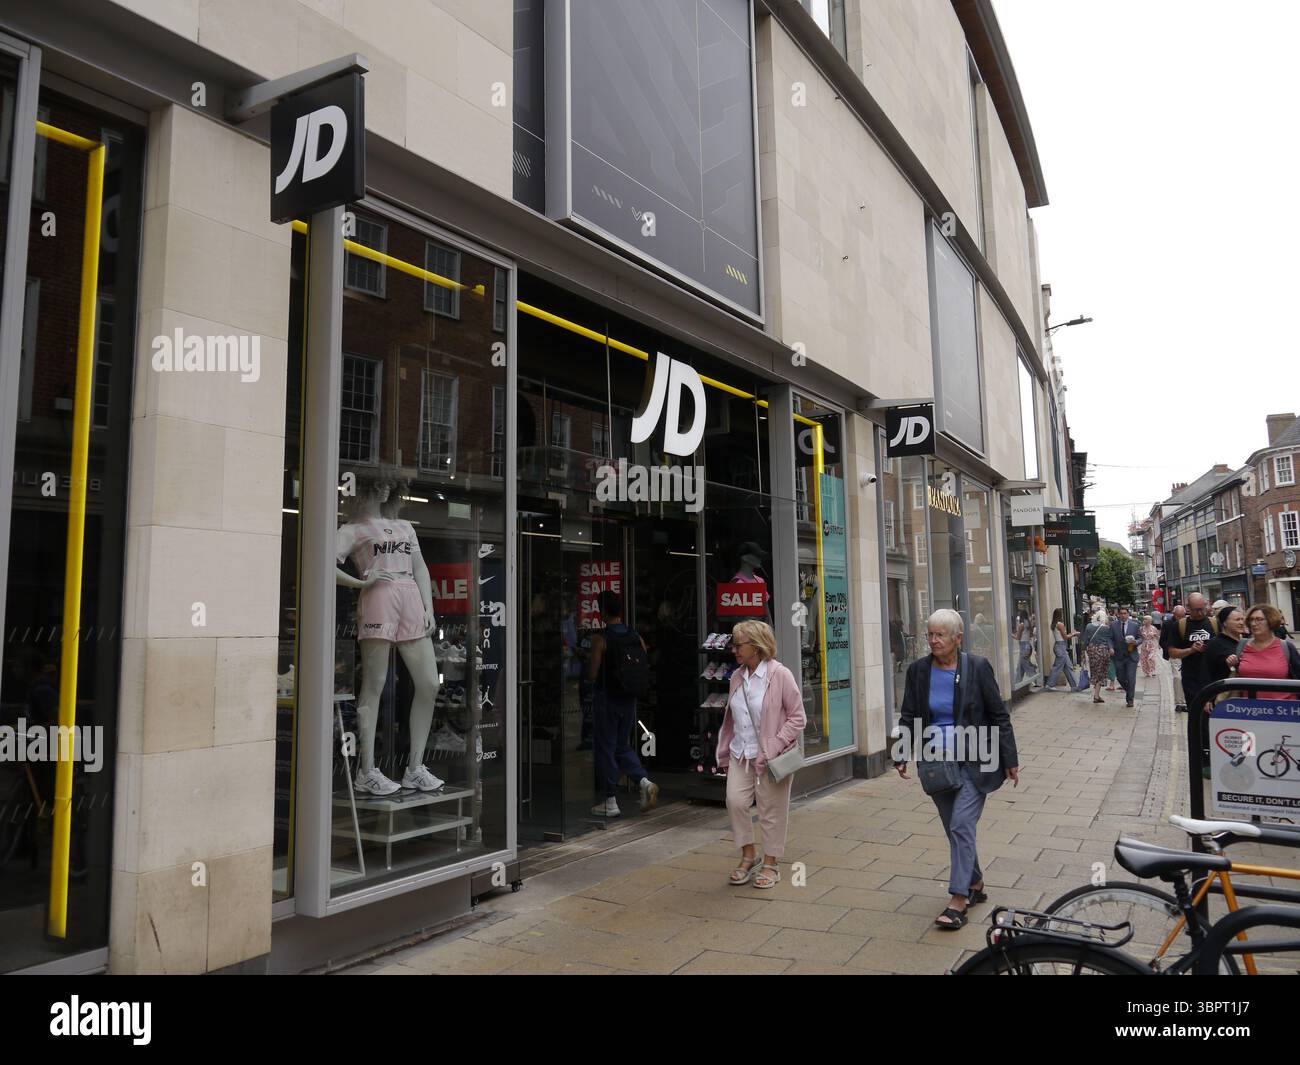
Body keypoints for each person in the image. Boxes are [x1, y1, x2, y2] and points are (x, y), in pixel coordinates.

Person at [895, 609, 1019, 929]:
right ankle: (975, 883)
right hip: (937, 763)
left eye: (940, 635)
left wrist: (1010, 759)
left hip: (977, 760)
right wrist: (900, 753)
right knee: (955, 829)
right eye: (930, 635)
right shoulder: (919, 671)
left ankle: (958, 900)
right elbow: (909, 714)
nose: (934, 641)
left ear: (957, 638)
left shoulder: (977, 668)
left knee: (962, 824)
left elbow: (999, 714)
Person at [718, 619, 806, 890]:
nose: (734, 650)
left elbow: (797, 717)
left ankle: (771, 863)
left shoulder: (780, 675)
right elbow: (733, 718)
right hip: (740, 753)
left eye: (738, 644)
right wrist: (724, 749)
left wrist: (774, 745)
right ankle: (748, 853)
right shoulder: (736, 676)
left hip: (770, 757)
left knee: (771, 811)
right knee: (735, 802)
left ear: (756, 646)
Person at [585, 592, 658, 817]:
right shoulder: (635, 635)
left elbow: (592, 673)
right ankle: (644, 782)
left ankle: (610, 800)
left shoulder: (601, 638)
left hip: (607, 700)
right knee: (622, 745)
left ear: (603, 611)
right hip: (629, 699)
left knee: (605, 748)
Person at [1239, 603, 1300, 700]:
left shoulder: (1286, 647)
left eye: (1259, 619)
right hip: (1249, 710)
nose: (1254, 624)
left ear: (1270, 621)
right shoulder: (1242, 646)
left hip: (1283, 710)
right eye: (1251, 620)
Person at [1110, 606, 1142, 708]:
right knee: (1120, 677)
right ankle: (1130, 690)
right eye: (1121, 613)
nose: (1123, 615)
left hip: (1131, 656)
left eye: (1125, 613)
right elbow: (1110, 638)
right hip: (1118, 656)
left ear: (1128, 614)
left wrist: (1135, 642)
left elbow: (1141, 638)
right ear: (1118, 614)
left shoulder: (1135, 625)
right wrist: (1110, 648)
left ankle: (1130, 700)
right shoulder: (1113, 625)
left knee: (1131, 677)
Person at [1083, 609, 1115, 704]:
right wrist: (1111, 648)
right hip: (1103, 650)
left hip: (1092, 650)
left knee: (1095, 670)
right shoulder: (1106, 628)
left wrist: (1083, 651)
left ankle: (1096, 692)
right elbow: (1109, 640)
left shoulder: (1088, 626)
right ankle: (1096, 695)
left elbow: (1085, 640)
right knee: (1101, 672)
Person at [1160, 604, 1188, 711]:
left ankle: (1186, 701)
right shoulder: (1168, 624)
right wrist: (1170, 652)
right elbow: (1162, 641)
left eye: (1182, 616)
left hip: (1188, 654)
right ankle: (1179, 703)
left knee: (1186, 678)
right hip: (1175, 655)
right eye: (1178, 616)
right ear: (1174, 614)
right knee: (1177, 678)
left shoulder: (1188, 623)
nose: (1180, 618)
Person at [1046, 607, 1079, 690]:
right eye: (1062, 614)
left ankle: (1074, 686)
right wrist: (1074, 634)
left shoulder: (1054, 624)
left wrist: (1071, 634)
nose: (1063, 615)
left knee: (1068, 666)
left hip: (1058, 646)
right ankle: (1050, 684)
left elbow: (1062, 636)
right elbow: (1065, 637)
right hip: (1061, 646)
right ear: (1060, 615)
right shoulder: (1060, 624)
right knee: (1057, 667)